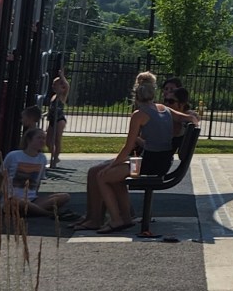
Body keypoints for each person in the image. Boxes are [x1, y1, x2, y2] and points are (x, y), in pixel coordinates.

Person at [74, 72, 198, 234]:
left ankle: (116, 219)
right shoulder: (164, 109)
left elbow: (128, 147)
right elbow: (187, 118)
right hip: (162, 164)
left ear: (136, 96)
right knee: (114, 176)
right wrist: (193, 121)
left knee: (102, 176)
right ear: (153, 94)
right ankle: (125, 216)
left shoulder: (139, 115)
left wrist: (112, 165)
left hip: (147, 166)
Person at [0, 126, 72, 221]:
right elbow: (0, 176)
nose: (42, 141)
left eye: (44, 138)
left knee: (65, 196)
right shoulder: (13, 155)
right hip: (12, 199)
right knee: (19, 203)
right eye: (39, 138)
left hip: (32, 200)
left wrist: (34, 197)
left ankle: (33, 210)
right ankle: (48, 213)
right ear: (29, 140)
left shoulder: (42, 158)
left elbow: (37, 183)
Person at [45, 71, 69, 169]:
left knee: (57, 139)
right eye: (53, 84)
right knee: (48, 141)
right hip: (52, 119)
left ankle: (54, 159)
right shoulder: (53, 97)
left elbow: (67, 86)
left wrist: (62, 77)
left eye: (56, 84)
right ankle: (54, 154)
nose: (53, 86)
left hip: (59, 120)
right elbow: (51, 109)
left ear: (62, 87)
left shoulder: (62, 96)